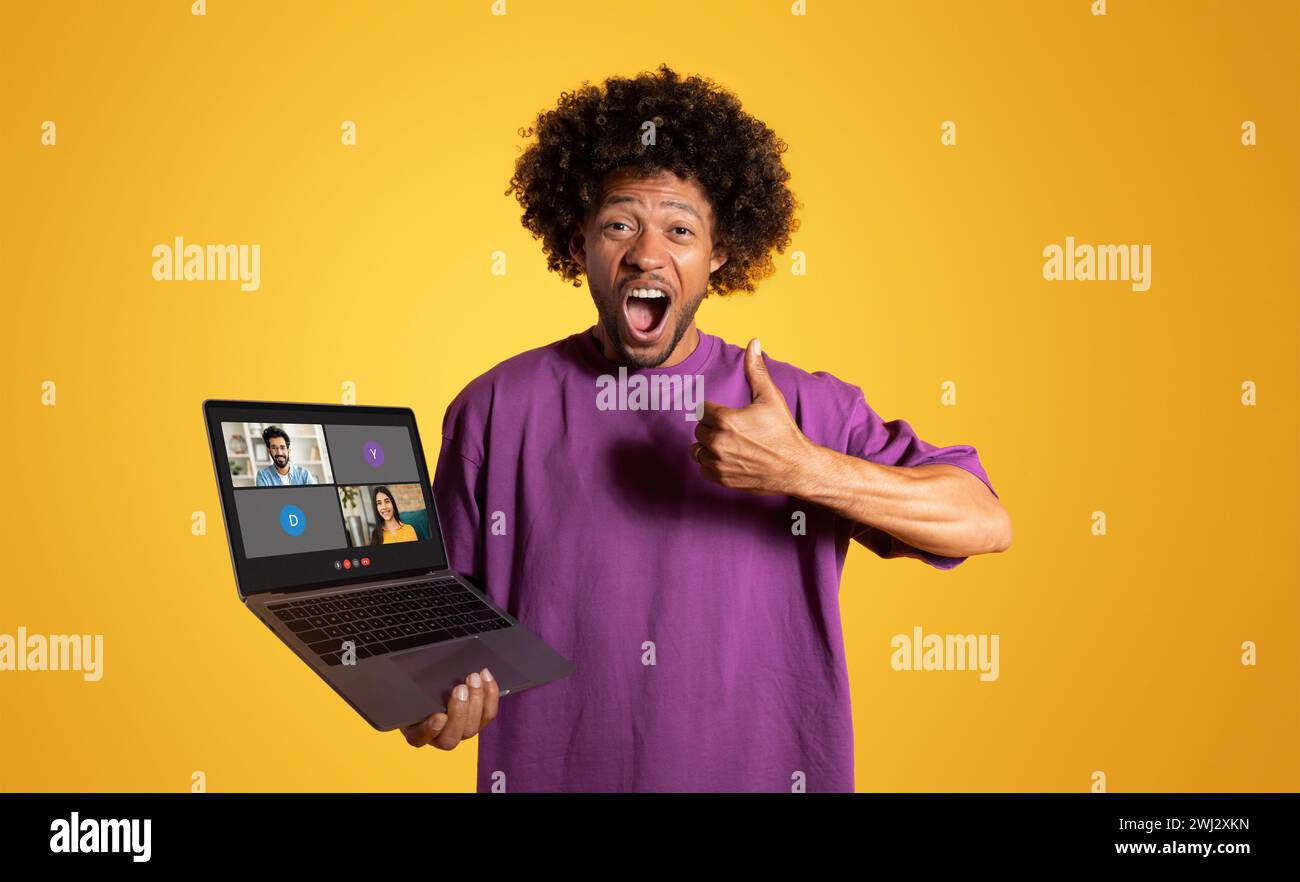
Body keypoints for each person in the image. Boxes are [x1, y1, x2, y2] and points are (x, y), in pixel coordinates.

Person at [402, 65, 1012, 792]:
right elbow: (437, 657)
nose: (647, 253)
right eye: (620, 223)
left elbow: (983, 522)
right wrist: (431, 708)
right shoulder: (494, 409)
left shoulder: (800, 410)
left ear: (720, 254)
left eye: (680, 230)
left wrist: (802, 470)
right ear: (577, 247)